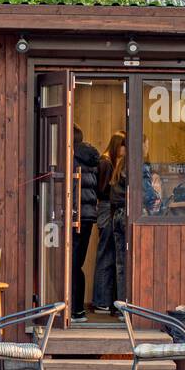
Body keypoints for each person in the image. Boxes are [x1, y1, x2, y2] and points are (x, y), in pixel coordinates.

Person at [92, 130, 126, 313]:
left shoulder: (109, 162)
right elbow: (103, 191)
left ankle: (105, 300)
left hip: (107, 209)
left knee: (109, 254)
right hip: (106, 209)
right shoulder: (106, 163)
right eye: (124, 146)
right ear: (118, 145)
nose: (126, 150)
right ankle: (101, 300)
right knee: (105, 253)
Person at [69, 125, 100, 323]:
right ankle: (77, 310)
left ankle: (75, 309)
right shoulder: (90, 158)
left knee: (70, 264)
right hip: (87, 217)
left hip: (75, 216)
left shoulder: (72, 159)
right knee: (76, 264)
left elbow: (71, 190)